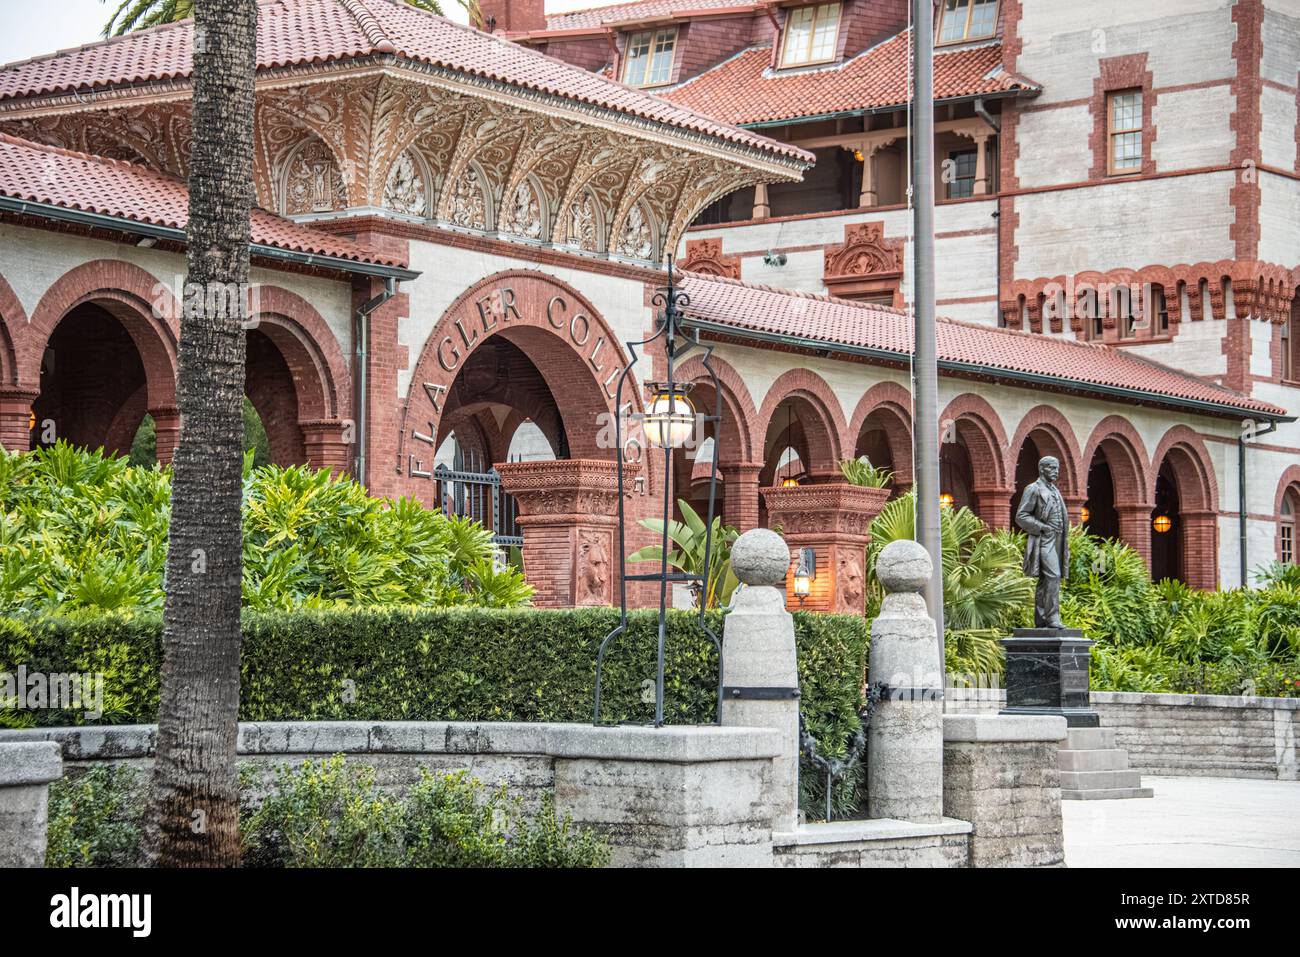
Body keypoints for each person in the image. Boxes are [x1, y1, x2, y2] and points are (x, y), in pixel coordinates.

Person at [1015, 455, 1070, 629]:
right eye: (1052, 468)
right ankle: (1052, 618)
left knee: (1047, 579)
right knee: (1053, 576)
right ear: (1042, 469)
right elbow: (1021, 516)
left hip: (1058, 540)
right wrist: (1042, 527)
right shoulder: (1033, 489)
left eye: (1057, 468)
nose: (1056, 472)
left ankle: (1041, 618)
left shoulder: (1055, 490)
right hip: (1044, 540)